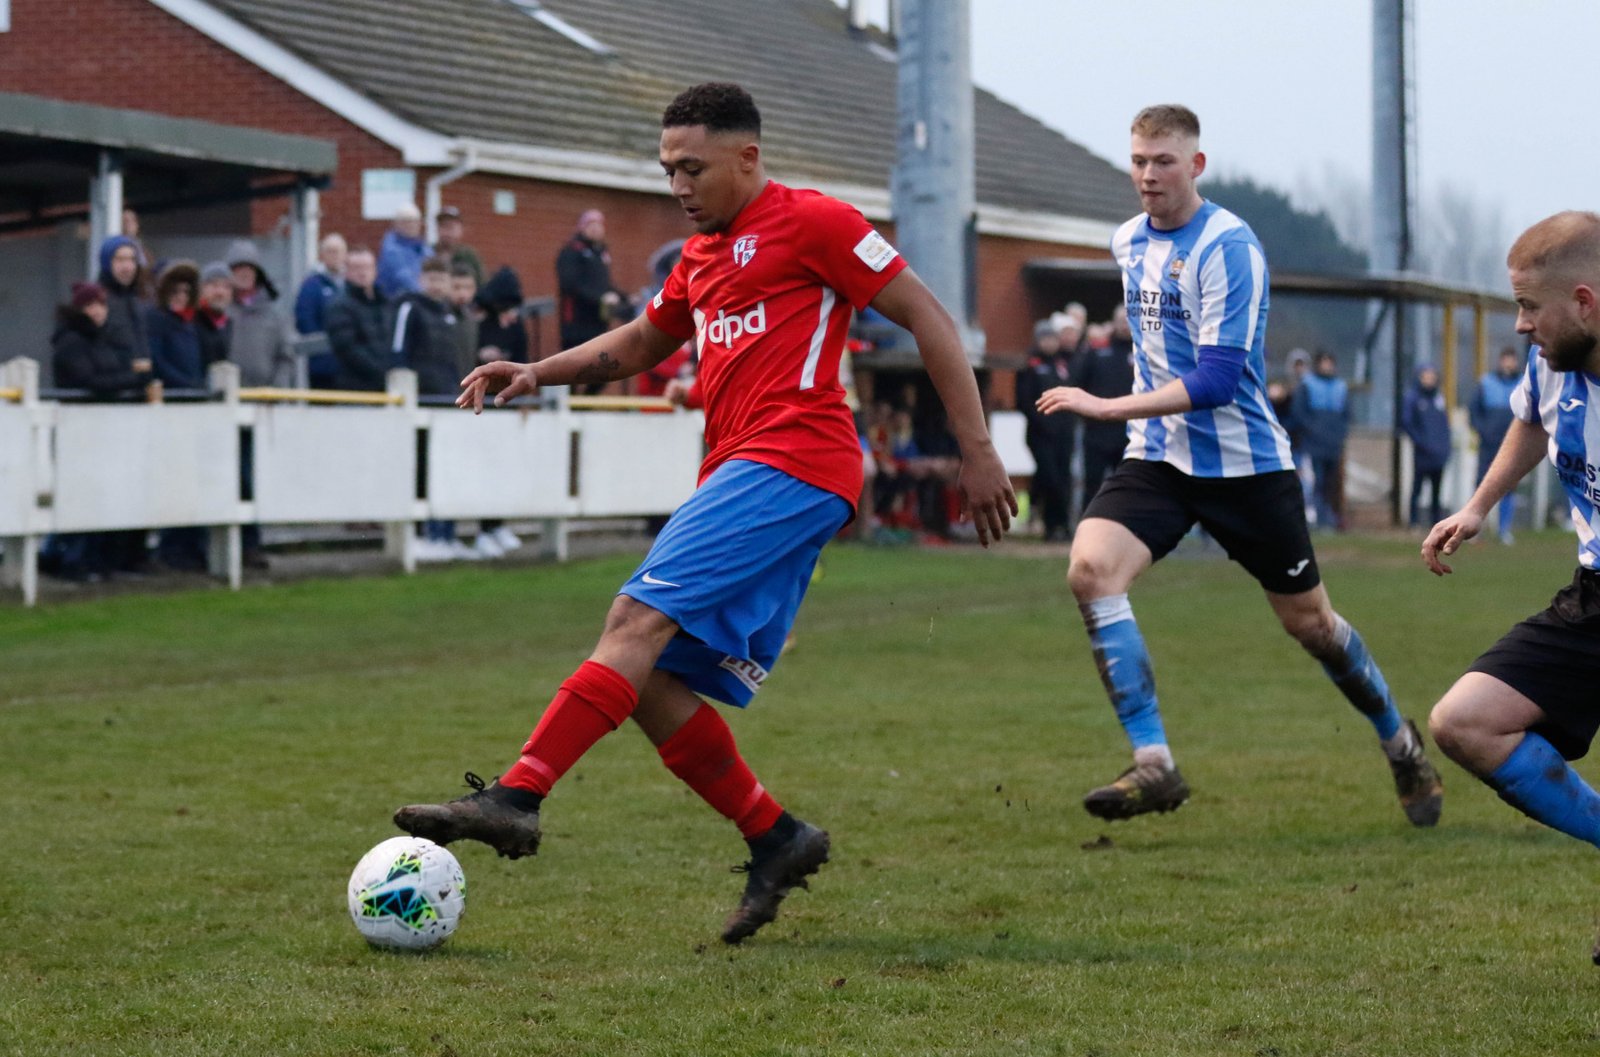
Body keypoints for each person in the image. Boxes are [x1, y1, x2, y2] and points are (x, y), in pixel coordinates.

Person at [393, 82, 1015, 944]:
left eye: (693, 168)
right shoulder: (699, 258)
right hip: (744, 470)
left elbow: (931, 319)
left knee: (632, 616)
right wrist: (538, 371)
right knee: (650, 678)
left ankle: (517, 796)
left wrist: (977, 451)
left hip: (796, 456)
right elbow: (642, 343)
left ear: (747, 157)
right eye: (667, 170)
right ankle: (776, 834)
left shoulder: (819, 223)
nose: (678, 185)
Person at [1034, 104, 1441, 825]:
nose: (1148, 174)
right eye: (1137, 160)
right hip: (1159, 457)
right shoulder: (1126, 241)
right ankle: (1154, 762)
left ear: (1196, 165)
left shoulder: (1229, 245)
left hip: (1246, 464)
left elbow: (1219, 380)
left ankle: (1399, 740)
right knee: (1090, 570)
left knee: (1311, 624)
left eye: (1163, 160)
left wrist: (1104, 407)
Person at [1422, 212, 1600, 939]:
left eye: (1530, 306)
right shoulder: (1554, 359)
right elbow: (1532, 420)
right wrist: (1476, 505)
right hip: (1593, 597)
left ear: (1584, 301)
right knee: (1465, 722)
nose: (1521, 326)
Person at [48, 282, 153, 581]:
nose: (96, 311)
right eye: (90, 305)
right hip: (79, 430)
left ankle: (95, 560)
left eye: (100, 305)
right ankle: (71, 560)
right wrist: (133, 380)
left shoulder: (101, 339)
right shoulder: (71, 341)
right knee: (80, 496)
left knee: (99, 495)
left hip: (101, 429)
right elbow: (90, 380)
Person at [392, 256, 470, 562]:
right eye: (432, 279)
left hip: (448, 402)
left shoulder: (452, 314)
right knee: (421, 468)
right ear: (422, 280)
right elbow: (398, 355)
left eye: (442, 279)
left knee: (447, 468)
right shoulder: (409, 308)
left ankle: (445, 535)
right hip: (421, 403)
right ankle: (422, 535)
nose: (437, 285)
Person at [1073, 304, 1137, 516]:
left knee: (1128, 484)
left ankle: (1125, 525)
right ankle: (1087, 522)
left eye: (1129, 320)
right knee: (1092, 483)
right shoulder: (1097, 350)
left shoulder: (1143, 351)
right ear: (1113, 322)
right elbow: (1078, 382)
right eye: (1121, 320)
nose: (1125, 325)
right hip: (1097, 431)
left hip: (1129, 432)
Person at [1014, 320, 1075, 540]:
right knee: (1051, 478)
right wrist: (1043, 422)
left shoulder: (1063, 364)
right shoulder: (1031, 365)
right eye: (1046, 338)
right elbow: (1023, 401)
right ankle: (1051, 525)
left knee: (1064, 477)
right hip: (1041, 434)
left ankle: (1063, 524)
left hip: (1063, 433)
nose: (1050, 343)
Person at [1469, 346, 1524, 545]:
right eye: (1506, 359)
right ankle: (1474, 528)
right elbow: (1473, 411)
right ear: (1500, 361)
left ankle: (1504, 530)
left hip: (1514, 445)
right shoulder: (1487, 383)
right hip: (1489, 444)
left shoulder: (1522, 383)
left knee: (1509, 485)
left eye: (1512, 359)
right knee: (1482, 483)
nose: (1509, 363)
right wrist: (1483, 431)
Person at [1290, 350, 1350, 531]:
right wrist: (1314, 431)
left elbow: (1346, 415)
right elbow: (1299, 413)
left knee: (1332, 484)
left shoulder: (1340, 387)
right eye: (1324, 362)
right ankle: (1317, 517)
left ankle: (1330, 517)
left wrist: (1339, 434)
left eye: (1330, 362)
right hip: (1313, 444)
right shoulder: (1307, 385)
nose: (1327, 366)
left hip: (1333, 445)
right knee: (1315, 481)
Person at [557, 208, 622, 359]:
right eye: (590, 225)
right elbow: (570, 285)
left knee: (600, 369)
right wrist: (600, 298)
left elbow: (604, 284)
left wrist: (623, 297)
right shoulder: (571, 251)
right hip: (576, 323)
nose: (595, 229)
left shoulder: (601, 253)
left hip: (598, 322)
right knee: (573, 366)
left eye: (599, 225)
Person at [324, 246, 390, 392]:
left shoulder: (386, 304)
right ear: (346, 272)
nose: (363, 272)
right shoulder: (339, 306)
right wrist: (382, 371)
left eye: (367, 267)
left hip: (387, 386)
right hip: (355, 386)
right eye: (356, 268)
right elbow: (347, 348)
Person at [293, 233, 347, 388]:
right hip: (322, 366)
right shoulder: (312, 285)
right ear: (322, 255)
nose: (335, 256)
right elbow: (305, 321)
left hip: (349, 366)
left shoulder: (349, 284)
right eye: (330, 251)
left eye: (339, 251)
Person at [1401, 364, 1451, 528]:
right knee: (1417, 487)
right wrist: (1421, 442)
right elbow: (1407, 423)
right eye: (1426, 376)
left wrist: (1445, 446)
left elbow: (1444, 425)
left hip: (1438, 453)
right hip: (1422, 453)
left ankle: (1435, 522)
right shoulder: (1413, 398)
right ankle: (1414, 521)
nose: (1429, 380)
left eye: (1432, 376)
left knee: (1437, 490)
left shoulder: (1439, 398)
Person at [95, 235, 152, 369]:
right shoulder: (97, 301)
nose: (127, 267)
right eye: (119, 259)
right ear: (107, 263)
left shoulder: (138, 301)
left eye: (132, 260)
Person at [377, 203, 428, 299]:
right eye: (406, 222)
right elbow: (404, 278)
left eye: (415, 221)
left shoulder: (423, 247)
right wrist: (427, 296)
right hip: (396, 302)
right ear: (396, 224)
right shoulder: (391, 249)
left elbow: (433, 268)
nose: (412, 225)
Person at [194, 262, 234, 374]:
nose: (220, 292)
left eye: (226, 287)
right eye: (214, 285)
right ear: (200, 289)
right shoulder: (190, 322)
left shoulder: (230, 325)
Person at [434, 206, 485, 287]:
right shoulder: (428, 252)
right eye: (443, 226)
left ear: (460, 230)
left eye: (451, 227)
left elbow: (482, 283)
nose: (447, 231)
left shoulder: (469, 255)